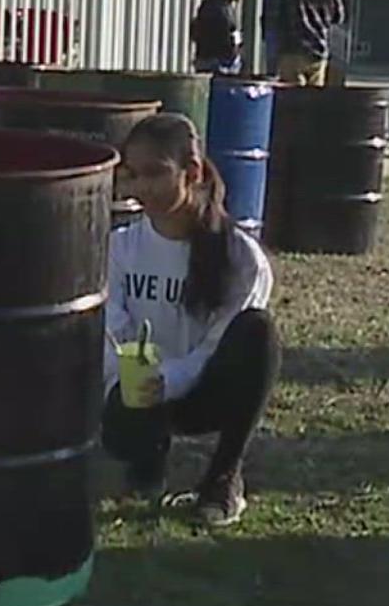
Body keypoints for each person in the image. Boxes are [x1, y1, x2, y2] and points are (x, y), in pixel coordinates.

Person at [102, 113, 278, 527]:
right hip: (136, 391)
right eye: (132, 175)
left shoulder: (239, 257)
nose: (140, 188)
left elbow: (216, 346)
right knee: (121, 430)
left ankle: (223, 478)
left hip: (202, 391)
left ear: (191, 171)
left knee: (259, 332)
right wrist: (128, 378)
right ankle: (148, 458)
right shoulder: (119, 247)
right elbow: (110, 328)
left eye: (155, 174)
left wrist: (169, 379)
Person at [190, 0, 244, 75]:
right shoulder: (224, 10)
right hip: (221, 63)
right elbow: (230, 37)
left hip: (205, 58)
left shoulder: (208, 5)